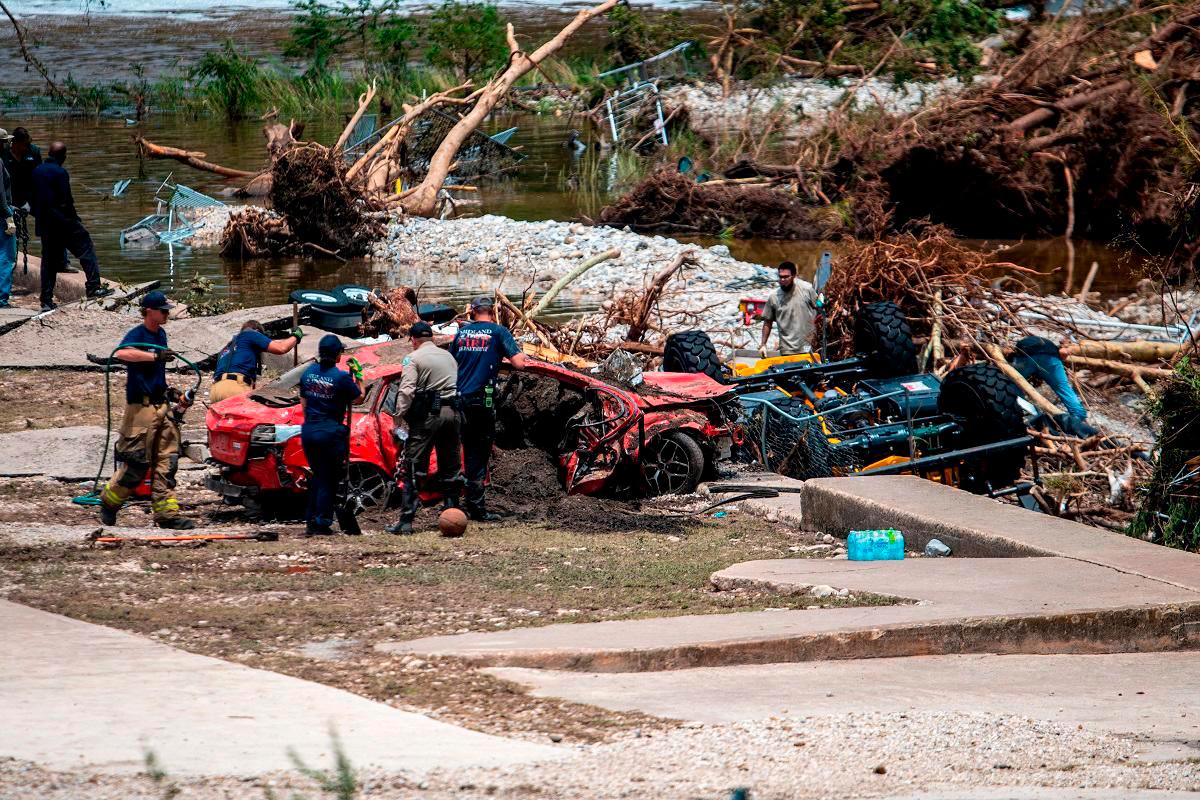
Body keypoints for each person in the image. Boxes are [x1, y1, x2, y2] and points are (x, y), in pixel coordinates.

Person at [99, 291, 195, 530]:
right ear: (149, 311)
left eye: (167, 310)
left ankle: (166, 515)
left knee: (167, 461)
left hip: (161, 406)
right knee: (137, 464)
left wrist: (172, 393)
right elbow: (122, 353)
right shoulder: (138, 334)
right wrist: (154, 356)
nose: (166, 313)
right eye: (162, 310)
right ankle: (109, 502)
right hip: (140, 410)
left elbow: (157, 374)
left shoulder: (161, 334)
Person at [450, 296, 527, 521]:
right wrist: (520, 353)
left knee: (460, 452)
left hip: (458, 401)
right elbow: (519, 364)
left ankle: (454, 504)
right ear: (492, 311)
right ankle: (477, 509)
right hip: (482, 403)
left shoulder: (461, 334)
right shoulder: (498, 332)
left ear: (472, 312)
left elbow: (453, 364)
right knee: (478, 453)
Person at [386, 321, 463, 535]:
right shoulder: (448, 356)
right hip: (453, 414)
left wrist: (398, 419)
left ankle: (406, 521)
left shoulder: (414, 358)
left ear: (413, 340)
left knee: (413, 466)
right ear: (432, 338)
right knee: (450, 465)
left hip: (429, 417)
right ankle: (451, 513)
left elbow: (406, 391)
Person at [31, 141, 109, 312]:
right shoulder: (60, 173)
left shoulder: (36, 171)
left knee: (49, 262)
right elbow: (66, 201)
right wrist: (75, 219)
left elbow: (33, 199)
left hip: (45, 224)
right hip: (63, 223)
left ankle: (46, 300)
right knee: (86, 247)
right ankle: (94, 287)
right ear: (62, 156)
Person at [299, 335, 364, 536]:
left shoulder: (308, 374)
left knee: (318, 476)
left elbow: (304, 404)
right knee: (328, 478)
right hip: (330, 433)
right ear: (337, 355)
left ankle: (311, 519)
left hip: (309, 430)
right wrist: (359, 377)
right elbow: (359, 398)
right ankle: (321, 522)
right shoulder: (341, 377)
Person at [1010, 336, 1098, 438]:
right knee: (1063, 388)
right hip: (1050, 360)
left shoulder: (1041, 343)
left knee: (1012, 383)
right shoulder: (1053, 348)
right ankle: (1078, 418)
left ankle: (1015, 409)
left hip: (1027, 357)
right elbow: (1064, 353)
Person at [210, 321, 305, 403]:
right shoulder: (251, 334)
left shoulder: (226, 349)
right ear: (257, 331)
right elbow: (281, 348)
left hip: (215, 391)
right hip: (234, 389)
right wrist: (296, 336)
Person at [759, 261, 817, 358]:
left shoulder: (807, 290)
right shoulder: (774, 297)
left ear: (794, 276)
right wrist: (763, 345)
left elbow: (820, 310)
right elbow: (767, 322)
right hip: (787, 350)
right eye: (780, 277)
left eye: (786, 277)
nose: (782, 280)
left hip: (808, 347)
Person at [1, 127, 42, 212]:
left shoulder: (34, 151)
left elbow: (39, 177)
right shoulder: (3, 152)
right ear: (14, 142)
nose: (25, 148)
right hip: (11, 195)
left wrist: (31, 201)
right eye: (23, 145)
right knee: (12, 222)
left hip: (30, 194)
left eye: (27, 144)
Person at [0, 137, 14, 309]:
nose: (8, 145)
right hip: (1, 216)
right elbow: (0, 193)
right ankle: (2, 298)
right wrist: (8, 215)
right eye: (4, 141)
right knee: (6, 256)